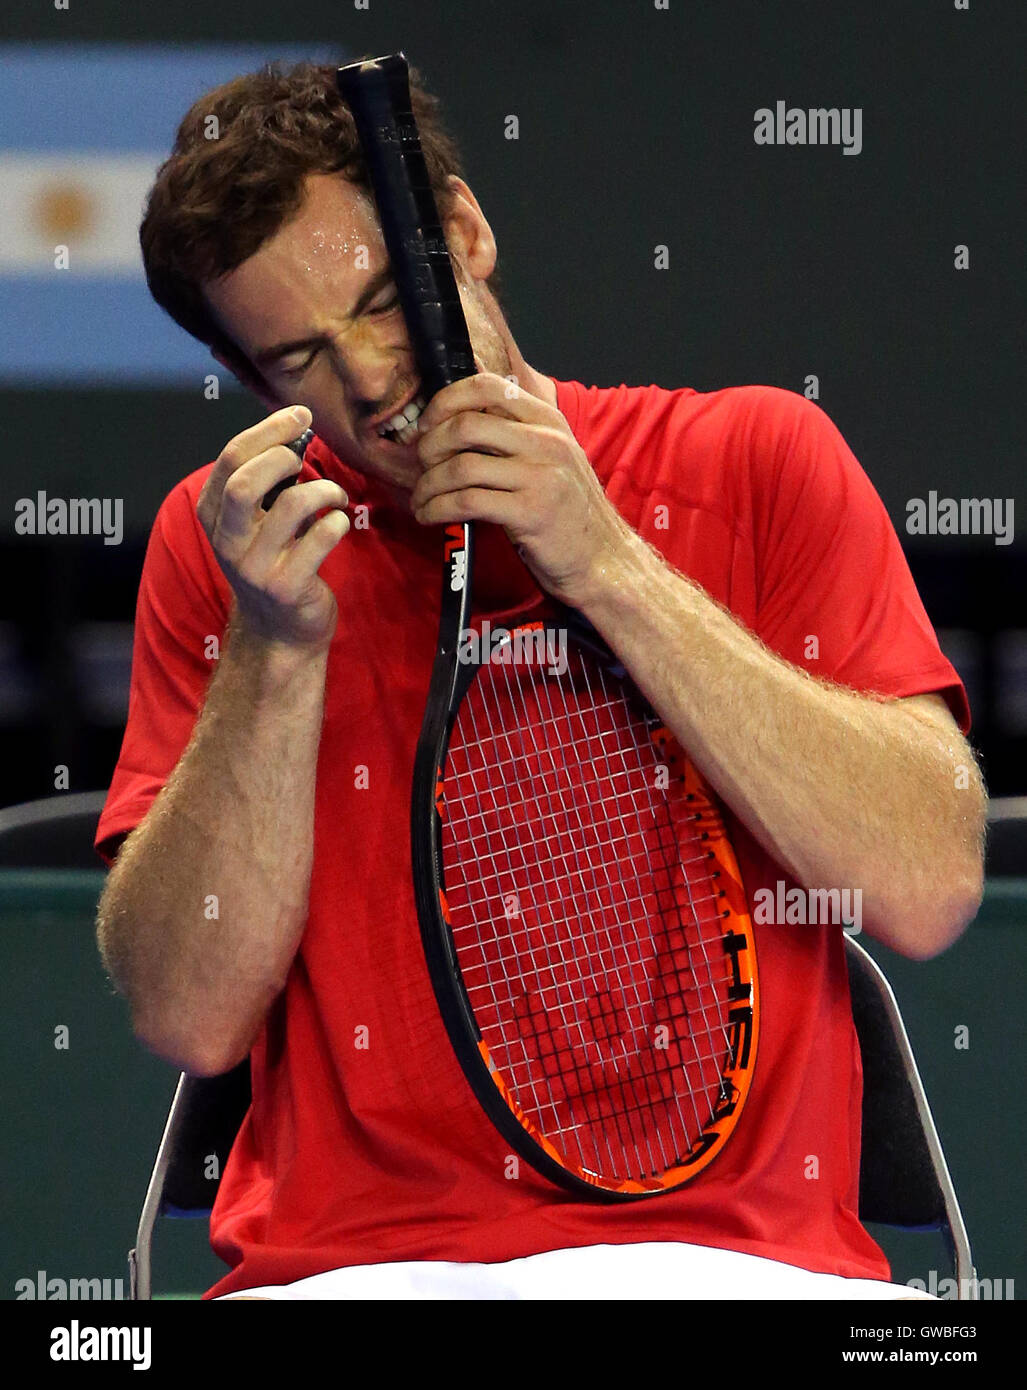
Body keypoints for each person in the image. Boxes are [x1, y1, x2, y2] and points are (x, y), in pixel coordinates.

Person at [94, 61, 985, 1301]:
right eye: (298, 356)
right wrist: (275, 655)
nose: (368, 378)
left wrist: (605, 559)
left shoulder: (761, 457)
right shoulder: (230, 551)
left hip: (740, 1270)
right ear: (253, 389)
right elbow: (188, 1018)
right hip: (357, 1277)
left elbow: (929, 886)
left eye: (384, 300)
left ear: (464, 230)